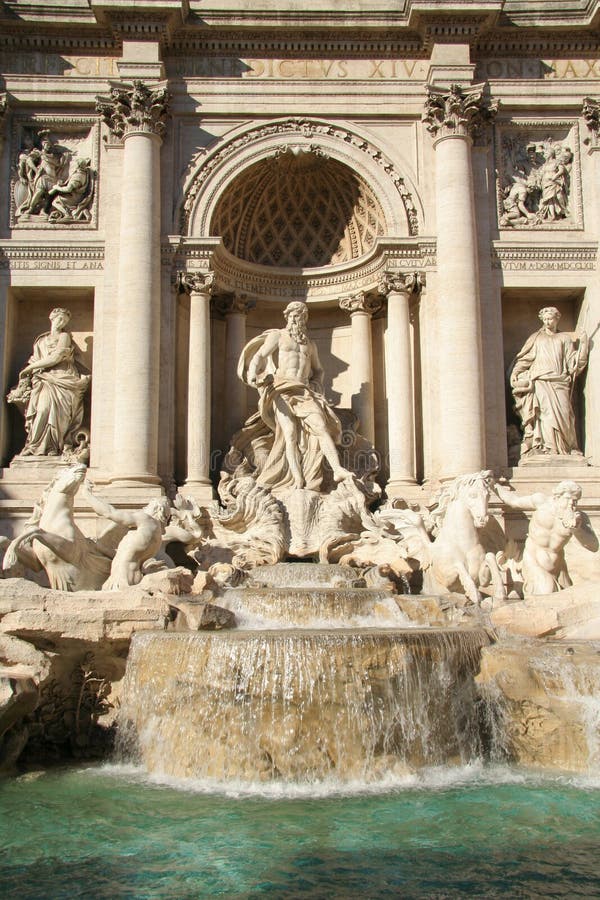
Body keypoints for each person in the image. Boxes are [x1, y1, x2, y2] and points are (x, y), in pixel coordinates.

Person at [237, 301, 350, 491]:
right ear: (287, 317)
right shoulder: (278, 336)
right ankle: (297, 478)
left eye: (300, 315)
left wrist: (316, 386)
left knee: (321, 427)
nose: (296, 318)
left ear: (305, 319)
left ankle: (337, 469)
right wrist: (252, 375)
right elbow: (260, 355)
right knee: (289, 435)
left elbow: (319, 370)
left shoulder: (310, 345)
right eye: (293, 315)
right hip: (281, 387)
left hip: (303, 391)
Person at [8, 308, 91, 457]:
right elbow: (35, 358)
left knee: (58, 416)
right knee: (42, 410)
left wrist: (30, 368)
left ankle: (54, 447)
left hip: (62, 378)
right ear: (51, 318)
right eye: (60, 319)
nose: (62, 322)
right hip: (44, 379)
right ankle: (35, 446)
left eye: (65, 321)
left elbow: (56, 358)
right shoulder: (41, 340)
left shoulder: (65, 336)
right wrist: (31, 370)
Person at [495, 480, 598, 596]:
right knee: (547, 591)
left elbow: (594, 546)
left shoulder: (579, 518)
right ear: (557, 497)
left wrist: (577, 530)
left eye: (575, 501)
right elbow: (513, 501)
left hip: (558, 566)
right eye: (567, 499)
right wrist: (495, 485)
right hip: (533, 559)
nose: (571, 504)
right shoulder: (542, 502)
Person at [509, 306, 588, 457]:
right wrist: (516, 372)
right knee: (544, 415)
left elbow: (573, 363)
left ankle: (567, 447)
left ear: (557, 319)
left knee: (566, 415)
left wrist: (583, 345)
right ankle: (548, 447)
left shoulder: (564, 338)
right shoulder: (536, 338)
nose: (547, 322)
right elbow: (525, 359)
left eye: (550, 319)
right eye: (544, 319)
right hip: (540, 382)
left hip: (560, 382)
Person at [82, 481, 171, 590]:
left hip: (122, 580)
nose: (144, 508)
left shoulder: (145, 519)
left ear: (158, 509)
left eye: (148, 505)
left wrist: (87, 495)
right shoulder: (157, 536)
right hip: (131, 578)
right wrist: (101, 548)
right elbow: (127, 554)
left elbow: (109, 512)